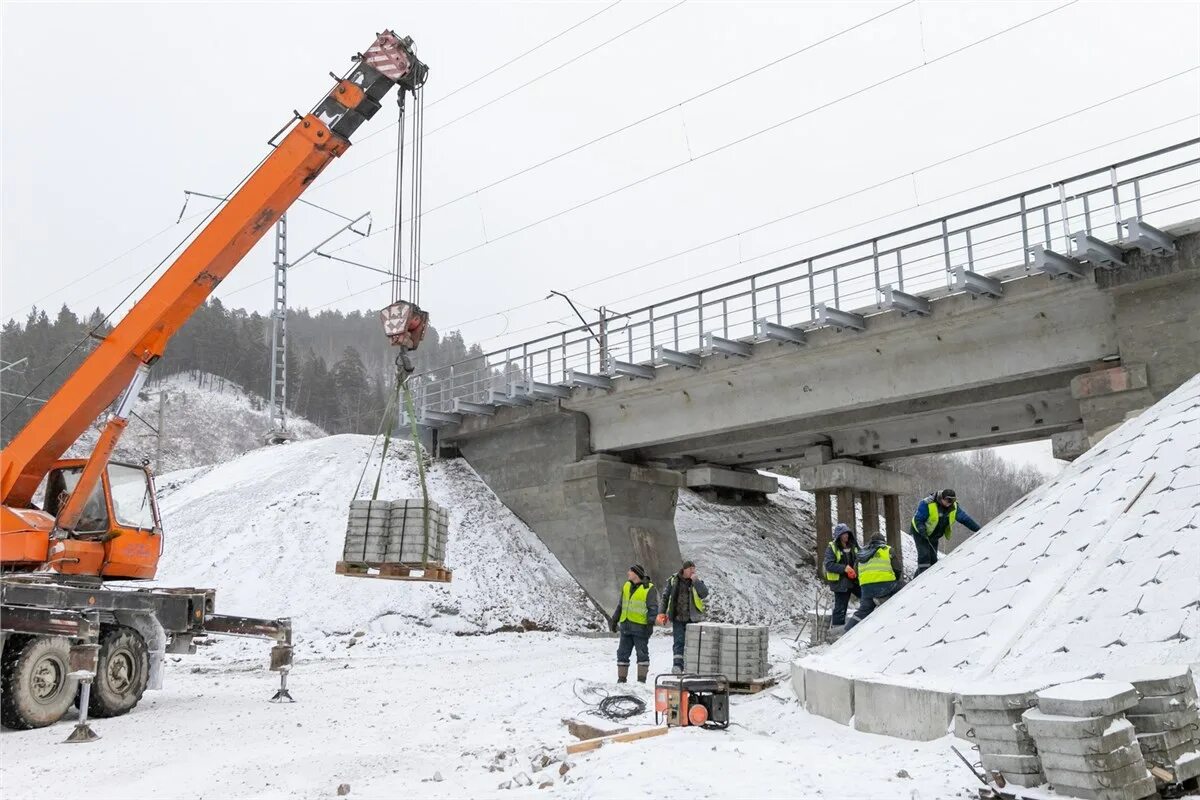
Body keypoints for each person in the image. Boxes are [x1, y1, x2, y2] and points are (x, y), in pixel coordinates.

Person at [910, 488, 981, 576]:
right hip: (920, 532)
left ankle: (925, 579)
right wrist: (922, 530)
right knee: (924, 556)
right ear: (942, 498)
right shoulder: (927, 503)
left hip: (934, 535)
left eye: (952, 500)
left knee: (933, 560)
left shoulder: (954, 507)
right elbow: (918, 519)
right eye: (948, 500)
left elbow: (965, 519)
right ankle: (919, 581)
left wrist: (979, 529)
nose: (949, 503)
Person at [656, 559, 709, 674]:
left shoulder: (696, 581)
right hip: (678, 617)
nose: (693, 571)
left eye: (694, 569)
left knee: (693, 643)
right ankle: (677, 666)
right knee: (679, 642)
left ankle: (692, 666)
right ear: (684, 569)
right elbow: (665, 597)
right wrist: (661, 612)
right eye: (691, 569)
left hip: (693, 618)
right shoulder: (673, 580)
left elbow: (704, 594)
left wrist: (696, 581)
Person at [609, 564, 658, 683]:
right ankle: (621, 680)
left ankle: (641, 682)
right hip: (625, 626)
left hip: (640, 628)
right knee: (622, 654)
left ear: (636, 573)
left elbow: (653, 609)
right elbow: (621, 605)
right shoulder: (626, 586)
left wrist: (649, 626)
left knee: (642, 654)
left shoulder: (649, 588)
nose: (628, 573)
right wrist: (614, 620)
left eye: (630, 571)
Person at [843, 532, 900, 632]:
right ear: (883, 541)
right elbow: (897, 569)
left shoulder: (862, 553)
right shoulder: (887, 549)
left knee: (863, 611)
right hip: (886, 586)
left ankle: (847, 631)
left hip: (866, 588)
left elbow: (855, 572)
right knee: (905, 588)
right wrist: (895, 580)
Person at [822, 522, 861, 627]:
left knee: (867, 598)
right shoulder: (832, 548)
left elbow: (861, 556)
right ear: (839, 536)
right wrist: (845, 568)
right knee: (840, 608)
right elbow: (829, 565)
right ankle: (836, 631)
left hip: (855, 580)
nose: (846, 536)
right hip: (841, 583)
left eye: (847, 533)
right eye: (844, 534)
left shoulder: (853, 545)